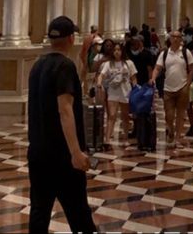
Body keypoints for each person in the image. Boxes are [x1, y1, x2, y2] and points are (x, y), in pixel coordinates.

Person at [27, 16, 95, 234]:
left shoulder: (38, 66)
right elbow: (65, 109)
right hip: (62, 157)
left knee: (39, 214)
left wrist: (84, 60)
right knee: (80, 216)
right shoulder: (65, 66)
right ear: (71, 38)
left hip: (38, 153)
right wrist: (76, 152)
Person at [151, 29, 193, 148]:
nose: (175, 39)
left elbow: (192, 68)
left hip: (182, 87)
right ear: (170, 39)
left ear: (181, 39)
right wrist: (153, 78)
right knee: (168, 115)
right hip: (168, 88)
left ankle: (178, 138)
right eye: (173, 37)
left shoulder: (186, 52)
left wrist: (188, 84)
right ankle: (171, 130)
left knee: (180, 114)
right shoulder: (164, 53)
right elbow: (158, 68)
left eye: (178, 37)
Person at [98, 42, 137, 145]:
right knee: (112, 115)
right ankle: (107, 139)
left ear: (122, 51)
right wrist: (99, 83)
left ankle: (125, 138)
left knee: (125, 115)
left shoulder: (129, 63)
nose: (117, 52)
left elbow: (133, 78)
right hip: (113, 92)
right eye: (115, 50)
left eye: (119, 50)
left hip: (125, 92)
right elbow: (101, 75)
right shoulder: (108, 64)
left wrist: (136, 90)